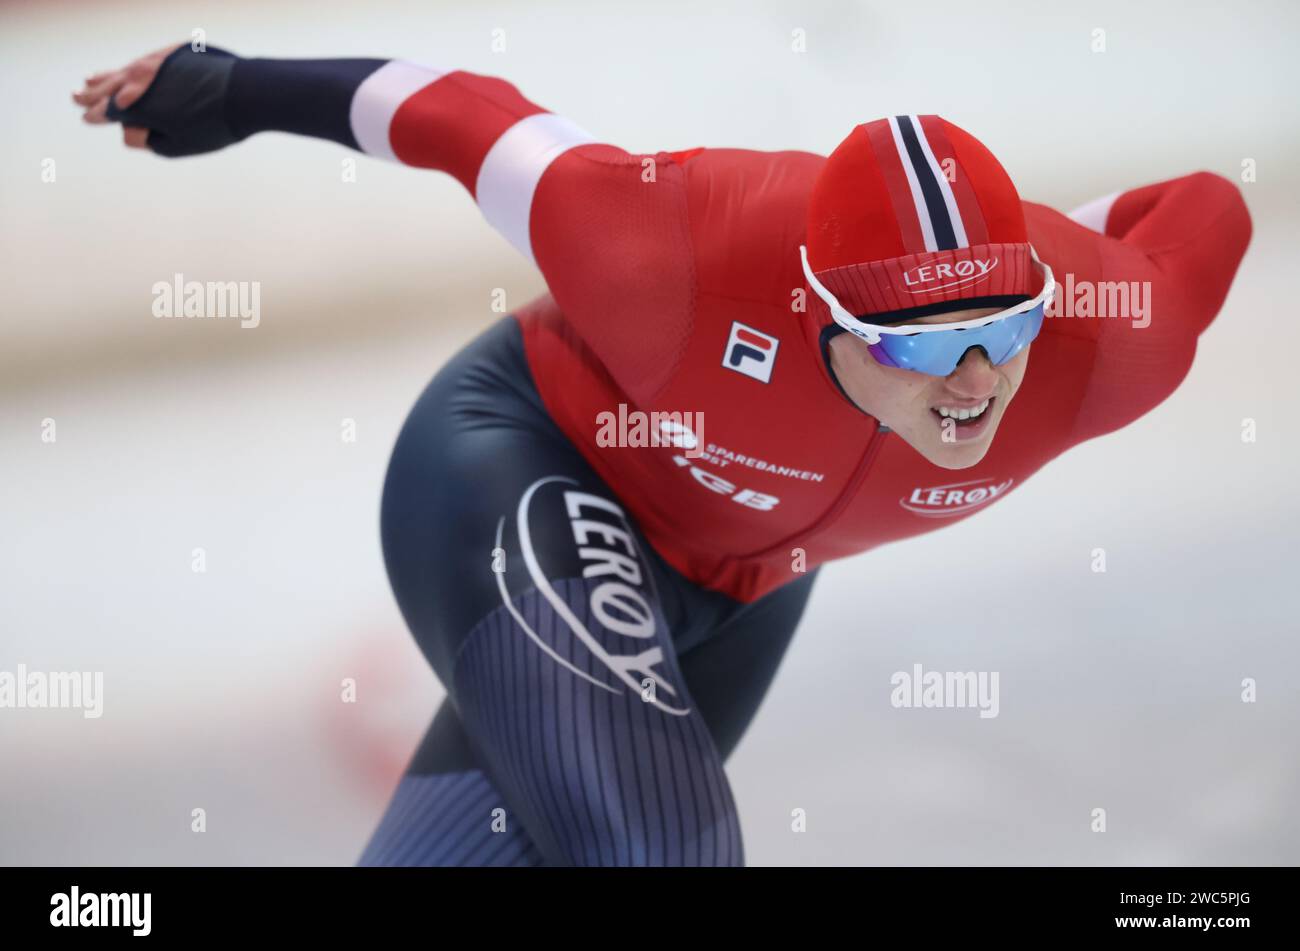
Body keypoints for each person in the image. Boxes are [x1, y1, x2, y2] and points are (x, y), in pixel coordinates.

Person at [75, 44, 1252, 866]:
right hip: (530, 467)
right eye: (921, 341)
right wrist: (229, 90)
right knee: (660, 845)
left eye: (1003, 327)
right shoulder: (668, 253)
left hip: (744, 580)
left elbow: (1206, 204)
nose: (977, 382)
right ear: (816, 311)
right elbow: (465, 115)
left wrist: (1054, 239)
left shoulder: (1102, 339)